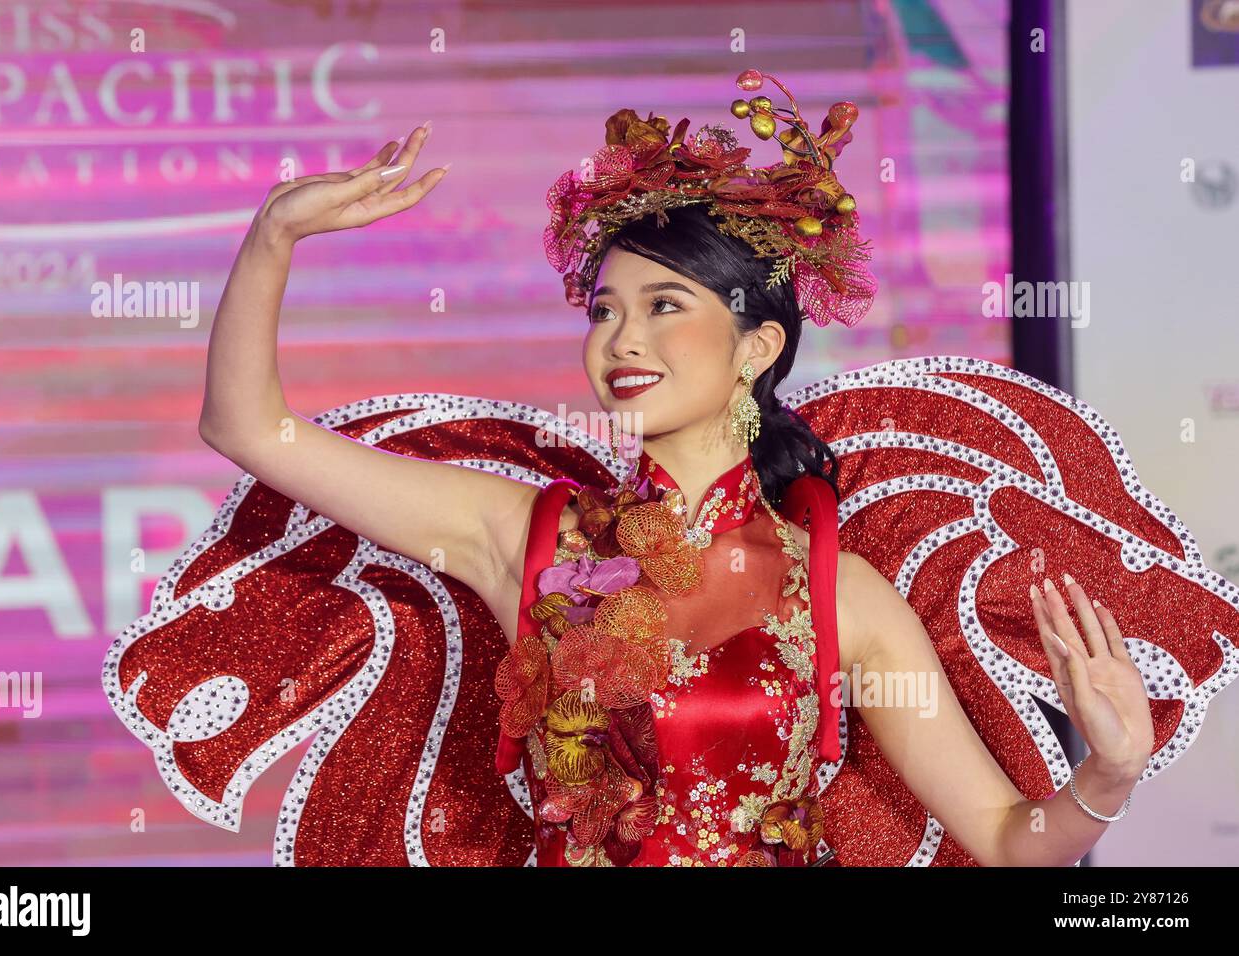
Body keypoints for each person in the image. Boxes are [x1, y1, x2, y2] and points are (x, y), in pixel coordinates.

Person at [106, 70, 1235, 867]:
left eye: (662, 306)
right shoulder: (528, 537)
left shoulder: (835, 590)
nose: (620, 338)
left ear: (757, 344)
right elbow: (253, 430)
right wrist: (273, 234)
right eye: (603, 310)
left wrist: (1104, 778)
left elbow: (1003, 837)